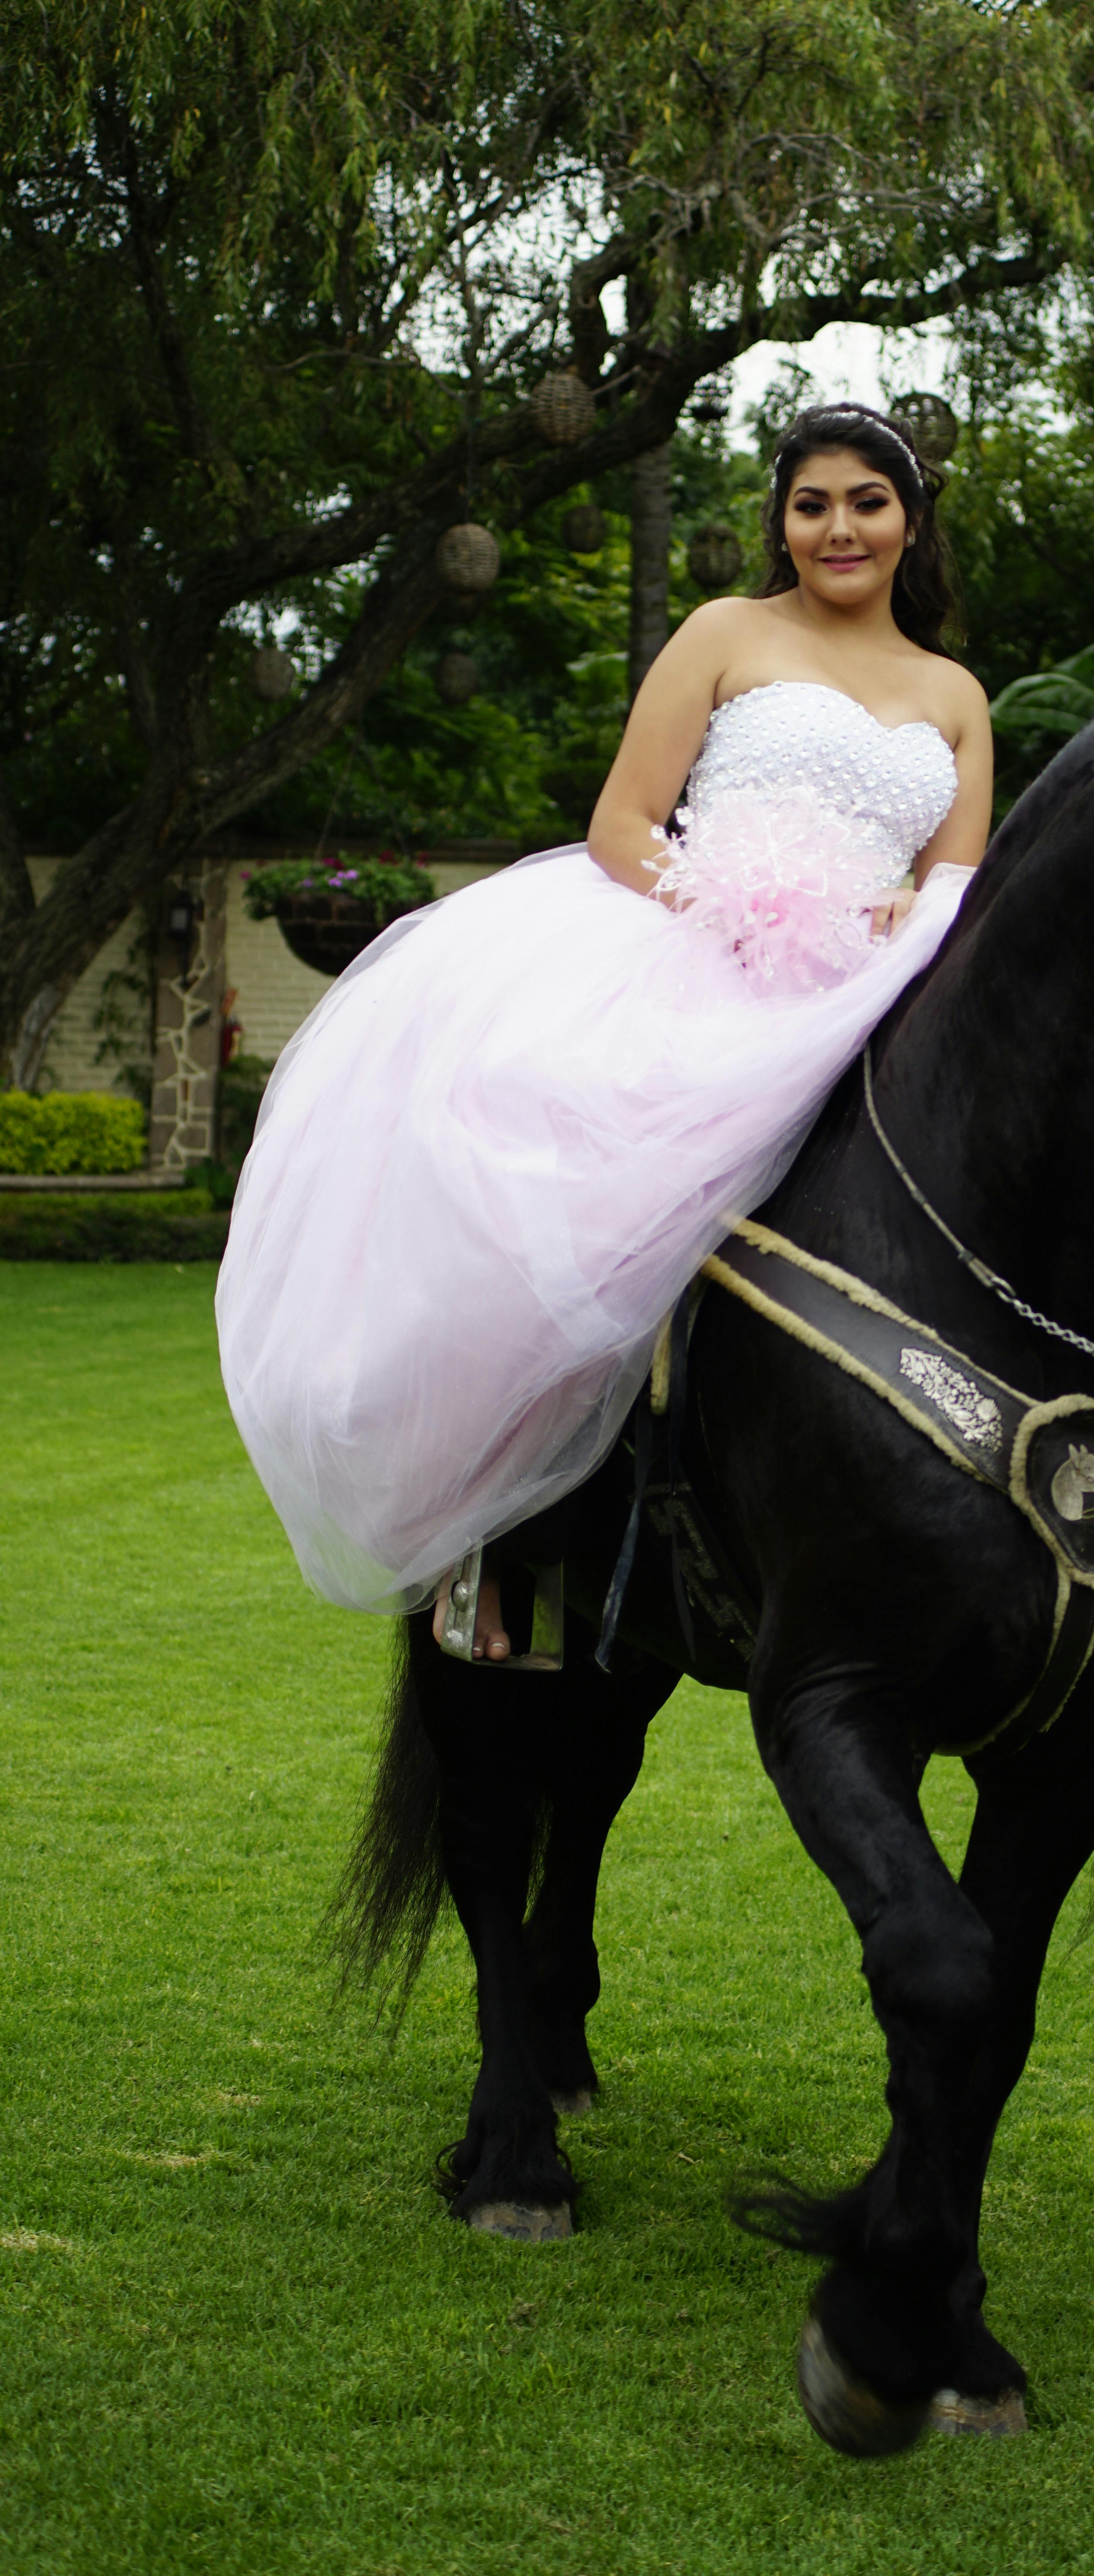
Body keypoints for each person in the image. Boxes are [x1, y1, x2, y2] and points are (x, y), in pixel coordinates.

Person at [217, 402, 992, 1655]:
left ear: (911, 521)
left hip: (870, 992)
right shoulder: (725, 632)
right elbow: (624, 826)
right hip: (701, 957)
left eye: (867, 502)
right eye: (812, 505)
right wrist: (735, 911)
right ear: (782, 524)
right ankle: (495, 1540)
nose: (839, 528)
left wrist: (912, 916)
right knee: (564, 1210)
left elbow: (959, 883)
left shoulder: (955, 694)